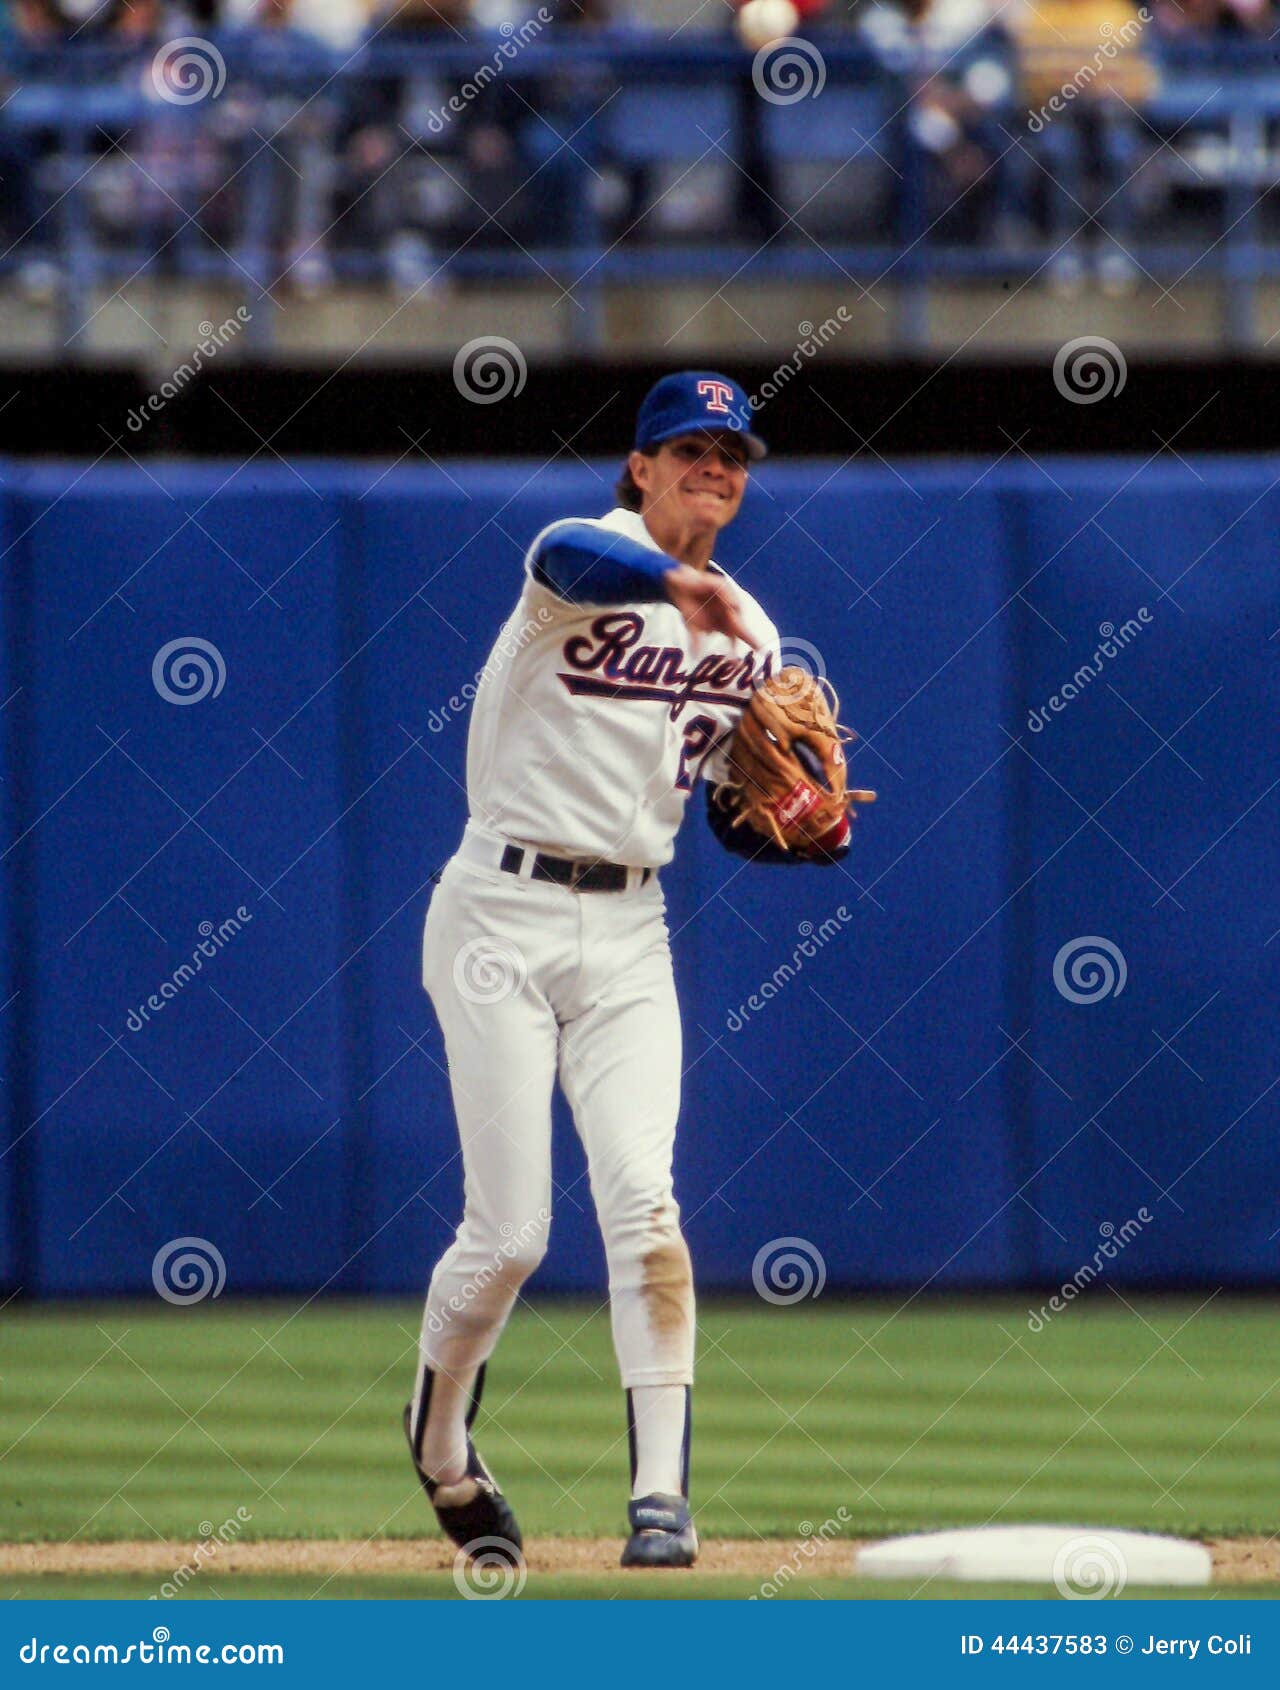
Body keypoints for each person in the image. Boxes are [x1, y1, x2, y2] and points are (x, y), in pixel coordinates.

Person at [404, 372, 856, 1571]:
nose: (714, 467)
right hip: (496, 913)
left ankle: (660, 1498)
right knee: (510, 1234)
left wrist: (789, 815)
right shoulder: (582, 560)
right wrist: (669, 582)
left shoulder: (751, 632)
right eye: (690, 448)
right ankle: (440, 1444)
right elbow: (566, 554)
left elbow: (722, 802)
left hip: (626, 931)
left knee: (645, 1204)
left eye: (731, 454)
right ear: (639, 467)